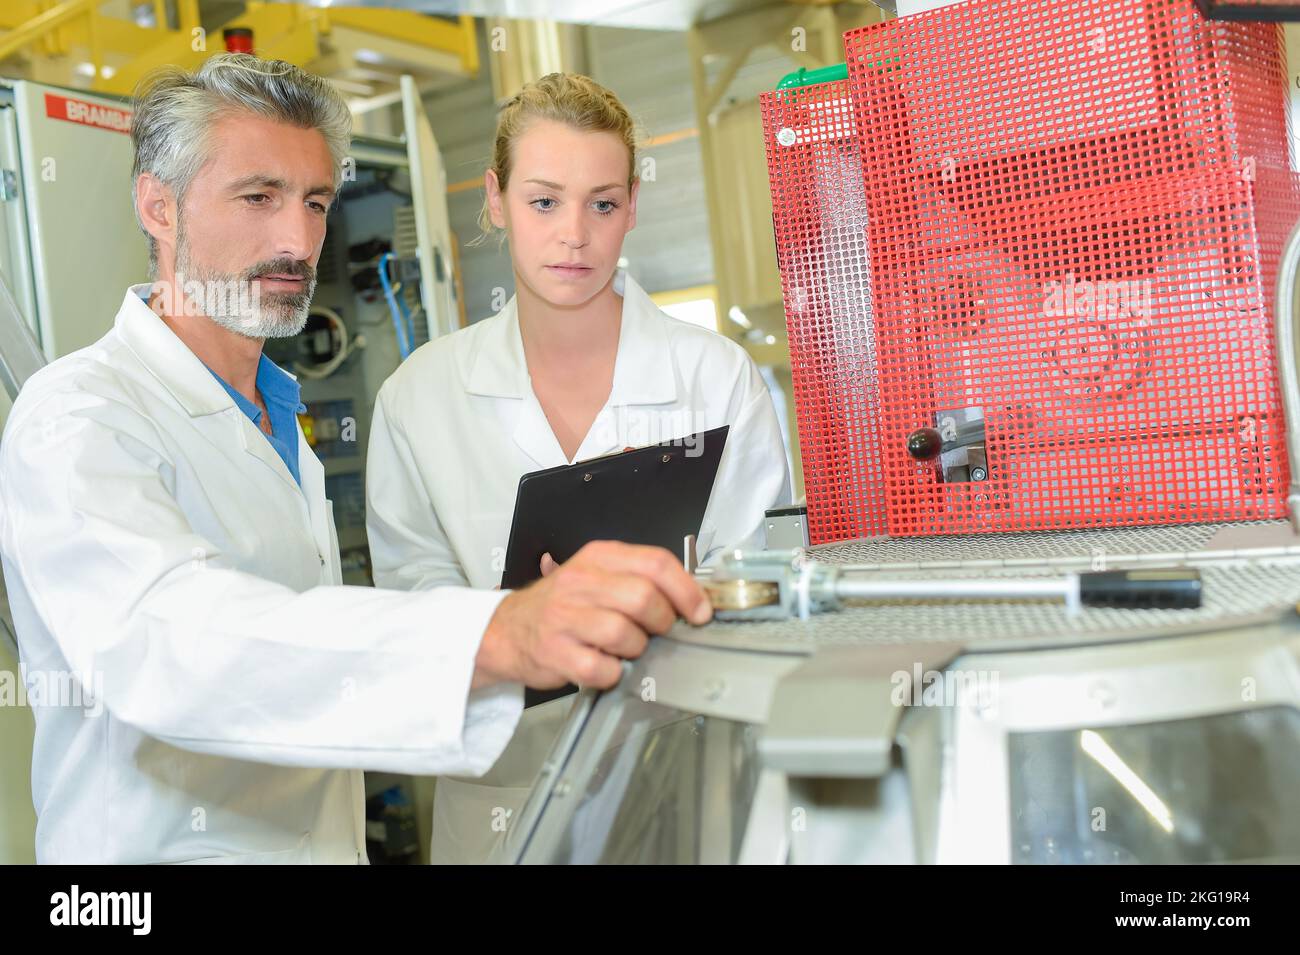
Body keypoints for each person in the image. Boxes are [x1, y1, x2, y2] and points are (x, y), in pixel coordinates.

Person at [0, 54, 710, 865]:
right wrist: (497, 633)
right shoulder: (78, 415)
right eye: (258, 197)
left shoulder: (275, 413)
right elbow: (169, 641)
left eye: (315, 202)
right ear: (158, 207)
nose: (299, 240)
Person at [365, 72, 791, 863]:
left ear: (632, 204)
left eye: (601, 203)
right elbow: (411, 608)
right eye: (543, 200)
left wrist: (650, 608)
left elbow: (766, 576)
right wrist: (524, 618)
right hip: (502, 794)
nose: (575, 235)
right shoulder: (417, 397)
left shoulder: (714, 377)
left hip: (681, 772)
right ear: (493, 199)